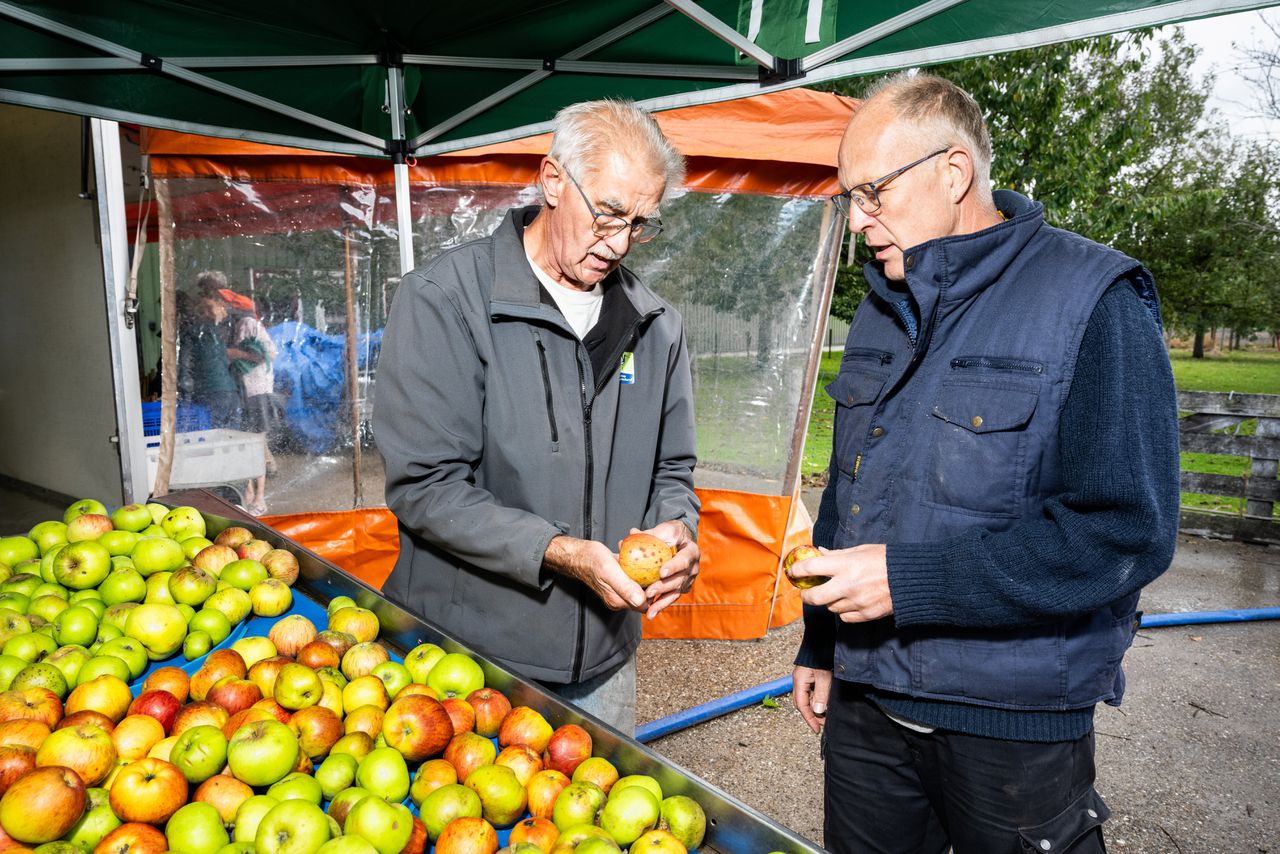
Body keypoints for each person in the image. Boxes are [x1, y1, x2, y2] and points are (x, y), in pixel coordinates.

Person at [789, 73, 1180, 854]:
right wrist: (821, 642)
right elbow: (851, 488)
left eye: (873, 194)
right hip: (866, 706)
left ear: (954, 172)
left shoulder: (1094, 297)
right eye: (850, 200)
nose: (860, 221)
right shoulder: (880, 303)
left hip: (1012, 728)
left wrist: (909, 580)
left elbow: (1124, 533)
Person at [374, 99, 701, 734]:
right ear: (552, 180)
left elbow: (674, 469)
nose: (619, 243)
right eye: (607, 214)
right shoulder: (447, 301)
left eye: (641, 224)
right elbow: (426, 487)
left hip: (605, 664)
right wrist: (557, 551)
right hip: (467, 668)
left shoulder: (657, 326)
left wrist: (677, 535)